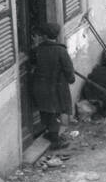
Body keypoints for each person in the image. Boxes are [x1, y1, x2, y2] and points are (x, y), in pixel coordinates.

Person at [29, 22, 76, 150]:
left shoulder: (37, 50)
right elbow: (68, 69)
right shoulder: (61, 51)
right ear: (57, 35)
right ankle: (55, 141)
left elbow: (32, 62)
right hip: (56, 88)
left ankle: (50, 134)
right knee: (55, 112)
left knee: (45, 110)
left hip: (41, 87)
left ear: (44, 36)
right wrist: (71, 79)